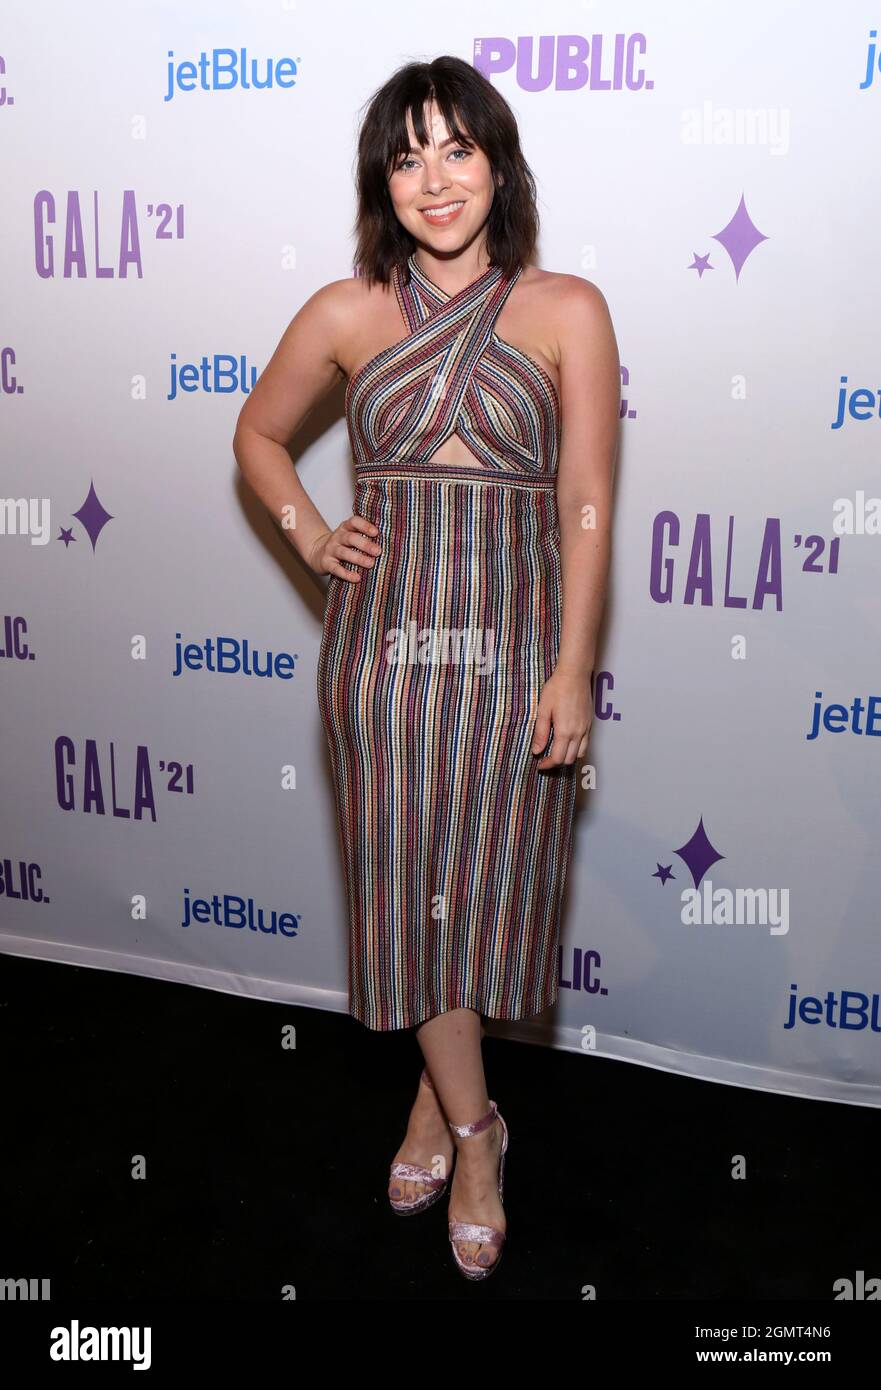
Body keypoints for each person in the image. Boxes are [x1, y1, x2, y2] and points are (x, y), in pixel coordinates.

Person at [233, 54, 620, 1281]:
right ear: (381, 181)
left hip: (514, 656)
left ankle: (427, 1096)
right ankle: (476, 1130)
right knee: (408, 907)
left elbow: (587, 507)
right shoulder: (347, 311)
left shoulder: (567, 308)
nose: (433, 177)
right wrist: (306, 529)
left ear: (496, 163)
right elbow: (256, 433)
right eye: (406, 155)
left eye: (456, 148)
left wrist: (571, 671)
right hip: (384, 656)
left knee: (491, 905)